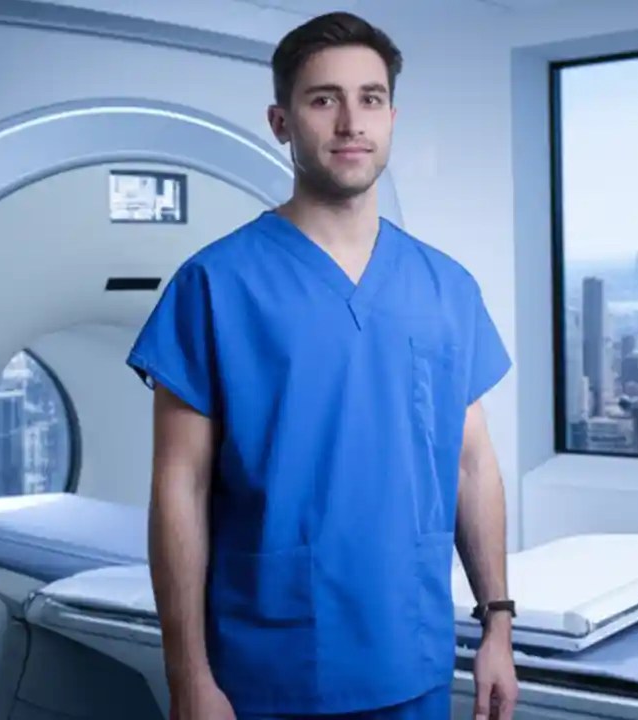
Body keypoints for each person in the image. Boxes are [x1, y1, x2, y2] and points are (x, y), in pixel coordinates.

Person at [125, 11, 519, 720]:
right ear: (281, 121)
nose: (349, 122)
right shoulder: (216, 285)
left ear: (392, 117)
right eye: (322, 99)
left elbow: (471, 466)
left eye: (370, 98)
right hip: (267, 670)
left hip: (416, 659)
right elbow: (178, 485)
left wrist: (498, 627)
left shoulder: (446, 287)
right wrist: (188, 675)